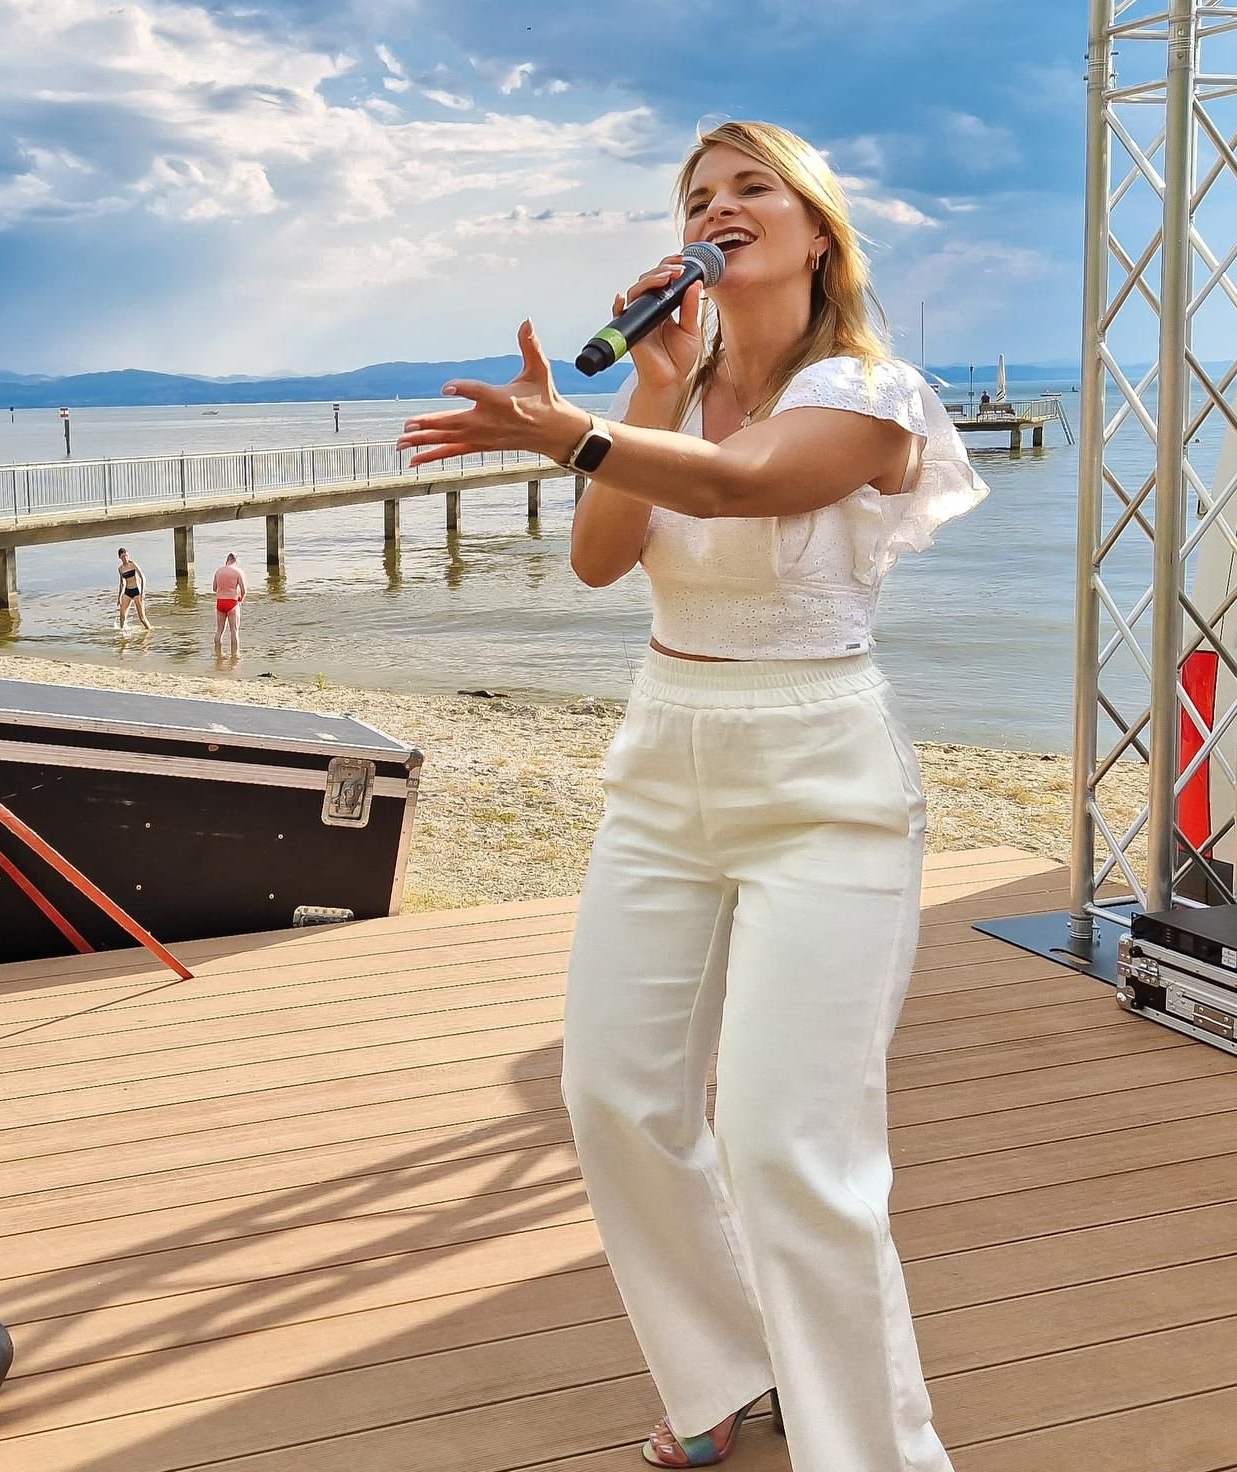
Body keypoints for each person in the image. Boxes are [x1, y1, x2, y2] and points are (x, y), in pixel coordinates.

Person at [397, 120, 985, 1470]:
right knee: (613, 1094)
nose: (718, 208)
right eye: (697, 195)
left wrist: (570, 433)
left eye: (750, 188)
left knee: (792, 1146)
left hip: (823, 782)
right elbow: (608, 563)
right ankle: (722, 1372)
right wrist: (647, 392)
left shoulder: (873, 395)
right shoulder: (673, 385)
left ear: (817, 229)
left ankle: (876, 1455)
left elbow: (760, 483)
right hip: (666, 764)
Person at [212, 552, 246, 655]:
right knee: (234, 631)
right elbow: (244, 590)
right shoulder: (238, 571)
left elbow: (214, 589)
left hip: (220, 602)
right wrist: (240, 600)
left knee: (219, 630)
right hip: (232, 602)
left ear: (227, 560)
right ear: (236, 561)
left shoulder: (218, 571)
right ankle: (235, 656)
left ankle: (217, 654)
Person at [115, 547, 151, 631]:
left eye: (127, 556)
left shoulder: (133, 564)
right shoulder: (120, 569)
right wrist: (119, 597)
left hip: (137, 591)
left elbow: (143, 578)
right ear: (119, 557)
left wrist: (142, 592)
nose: (125, 558)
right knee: (122, 616)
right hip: (127, 592)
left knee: (142, 618)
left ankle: (149, 631)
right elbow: (122, 583)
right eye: (123, 556)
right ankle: (123, 635)